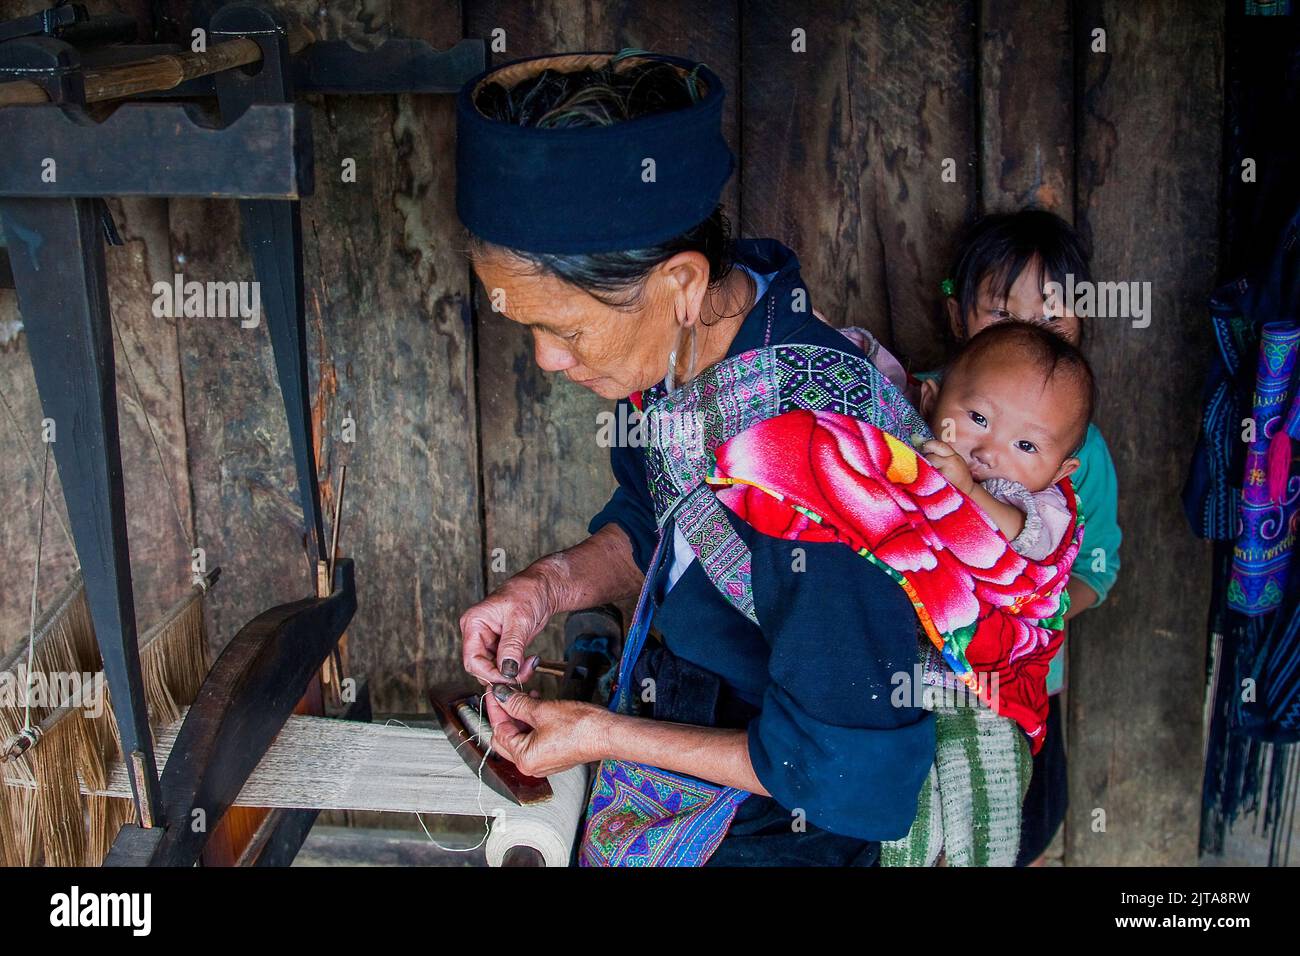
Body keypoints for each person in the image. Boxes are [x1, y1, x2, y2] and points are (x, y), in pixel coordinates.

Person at [454, 50, 934, 866]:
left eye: (565, 329)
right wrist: (547, 589)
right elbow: (657, 525)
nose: (545, 359)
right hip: (681, 738)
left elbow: (851, 772)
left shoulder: (819, 464)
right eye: (524, 326)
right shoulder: (686, 364)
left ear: (681, 280)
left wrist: (602, 733)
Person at [916, 321, 1096, 563]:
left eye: (1026, 446)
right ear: (930, 402)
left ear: (1059, 472)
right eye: (979, 418)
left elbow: (1032, 541)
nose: (987, 453)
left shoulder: (1045, 507)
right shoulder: (902, 432)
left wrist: (968, 491)